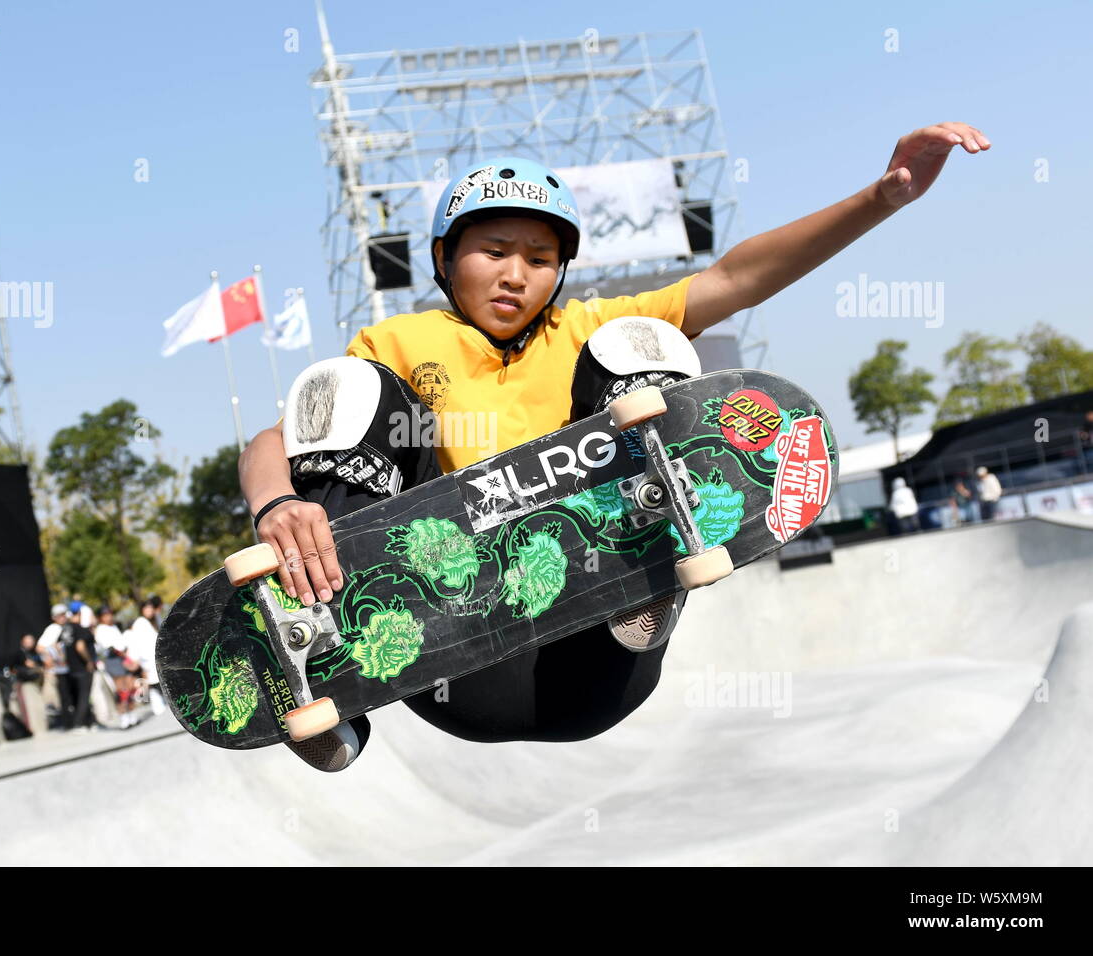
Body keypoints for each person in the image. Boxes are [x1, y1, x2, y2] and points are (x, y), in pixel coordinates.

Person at [239, 124, 992, 772]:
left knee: (639, 350)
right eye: (494, 250)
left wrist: (881, 196)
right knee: (344, 390)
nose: (515, 274)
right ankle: (334, 684)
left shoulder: (587, 325)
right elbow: (276, 439)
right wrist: (276, 502)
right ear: (443, 257)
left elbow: (739, 276)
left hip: (597, 658)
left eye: (539, 259)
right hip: (456, 659)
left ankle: (645, 571)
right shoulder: (400, 340)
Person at [124, 598, 162, 716]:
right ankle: (159, 709)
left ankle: (161, 707)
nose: (149, 610)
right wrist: (138, 660)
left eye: (150, 607)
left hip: (157, 657)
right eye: (146, 608)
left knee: (159, 684)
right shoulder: (140, 623)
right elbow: (136, 644)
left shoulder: (155, 620)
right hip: (148, 659)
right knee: (153, 685)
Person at [37, 604, 72, 728]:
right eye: (59, 615)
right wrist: (51, 659)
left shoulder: (68, 627)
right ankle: (67, 722)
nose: (62, 617)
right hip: (58, 669)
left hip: (69, 668)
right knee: (62, 696)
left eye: (64, 614)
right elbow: (40, 647)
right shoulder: (53, 629)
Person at [62, 605, 95, 731]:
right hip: (82, 667)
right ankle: (79, 723)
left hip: (71, 668)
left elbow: (61, 647)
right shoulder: (80, 629)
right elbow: (80, 647)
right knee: (84, 696)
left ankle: (90, 722)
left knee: (80, 695)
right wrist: (89, 661)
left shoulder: (66, 629)